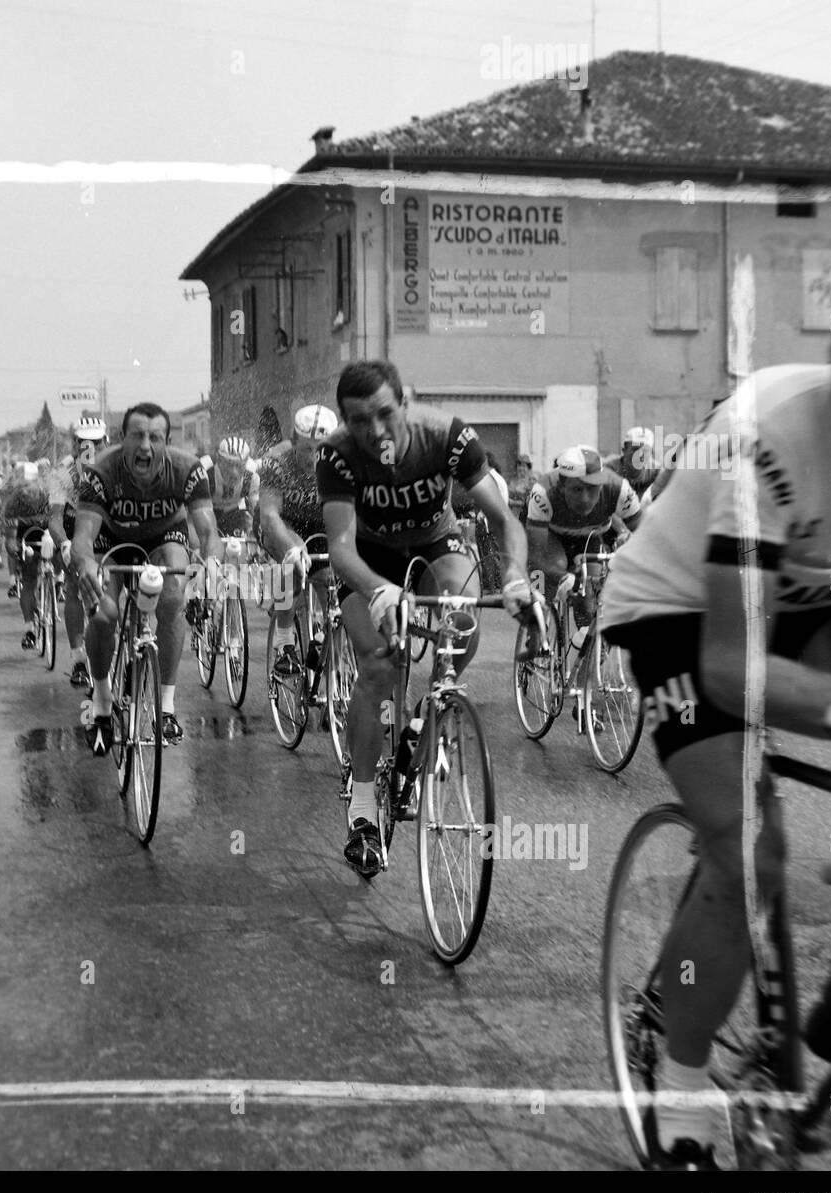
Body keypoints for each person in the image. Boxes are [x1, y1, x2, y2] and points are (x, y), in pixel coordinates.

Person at [599, 236, 831, 1170]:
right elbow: (731, 664)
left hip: (822, 593)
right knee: (748, 848)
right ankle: (682, 1090)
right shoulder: (767, 422)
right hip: (686, 615)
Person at [317, 360, 538, 877]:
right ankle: (365, 809)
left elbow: (505, 521)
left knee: (463, 624)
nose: (374, 431)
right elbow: (341, 547)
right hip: (368, 559)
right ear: (344, 422)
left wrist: (517, 577)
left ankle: (427, 714)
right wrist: (378, 591)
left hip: (437, 541)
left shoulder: (448, 436)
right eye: (358, 421)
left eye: (384, 414)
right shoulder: (337, 453)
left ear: (406, 402)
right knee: (375, 664)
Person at [73, 402, 222, 752]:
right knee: (103, 612)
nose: (145, 446)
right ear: (121, 439)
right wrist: (85, 566)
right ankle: (102, 703)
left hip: (163, 537)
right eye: (137, 436)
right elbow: (83, 537)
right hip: (111, 538)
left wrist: (212, 566)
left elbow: (208, 531)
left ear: (167, 442)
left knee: (173, 596)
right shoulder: (99, 471)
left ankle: (166, 708)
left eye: (155, 438)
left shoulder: (188, 469)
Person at [525, 444, 643, 643]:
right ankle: (537, 621)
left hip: (591, 537)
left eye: (592, 488)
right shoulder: (544, 492)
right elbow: (536, 555)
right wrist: (561, 578)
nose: (586, 499)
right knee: (550, 573)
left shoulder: (618, 488)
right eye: (577, 489)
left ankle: (586, 655)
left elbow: (646, 535)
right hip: (551, 536)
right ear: (562, 486)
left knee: (587, 597)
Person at [260, 403, 339, 678]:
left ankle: (325, 639)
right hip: (284, 524)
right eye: (307, 448)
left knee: (333, 580)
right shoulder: (276, 461)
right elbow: (270, 515)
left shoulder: (342, 461)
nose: (314, 457)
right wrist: (292, 549)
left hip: (322, 523)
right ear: (293, 441)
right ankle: (284, 645)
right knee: (294, 562)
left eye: (321, 448)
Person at [49, 418, 110, 688]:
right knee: (74, 586)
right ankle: (77, 659)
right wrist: (64, 543)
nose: (91, 447)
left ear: (105, 442)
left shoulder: (115, 465)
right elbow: (54, 518)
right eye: (84, 442)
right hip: (74, 525)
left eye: (96, 442)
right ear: (75, 444)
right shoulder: (62, 472)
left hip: (106, 526)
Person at [1, 461, 51, 649]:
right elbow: (11, 536)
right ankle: (30, 629)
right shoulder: (14, 501)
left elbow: (58, 520)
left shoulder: (47, 495)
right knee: (29, 581)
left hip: (47, 534)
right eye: (22, 485)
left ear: (37, 482)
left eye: (29, 484)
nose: (25, 490)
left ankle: (58, 582)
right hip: (26, 538)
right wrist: (12, 546)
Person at [604, 426, 660, 501]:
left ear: (651, 453)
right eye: (635, 449)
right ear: (624, 450)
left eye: (645, 450)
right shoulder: (610, 468)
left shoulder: (656, 471)